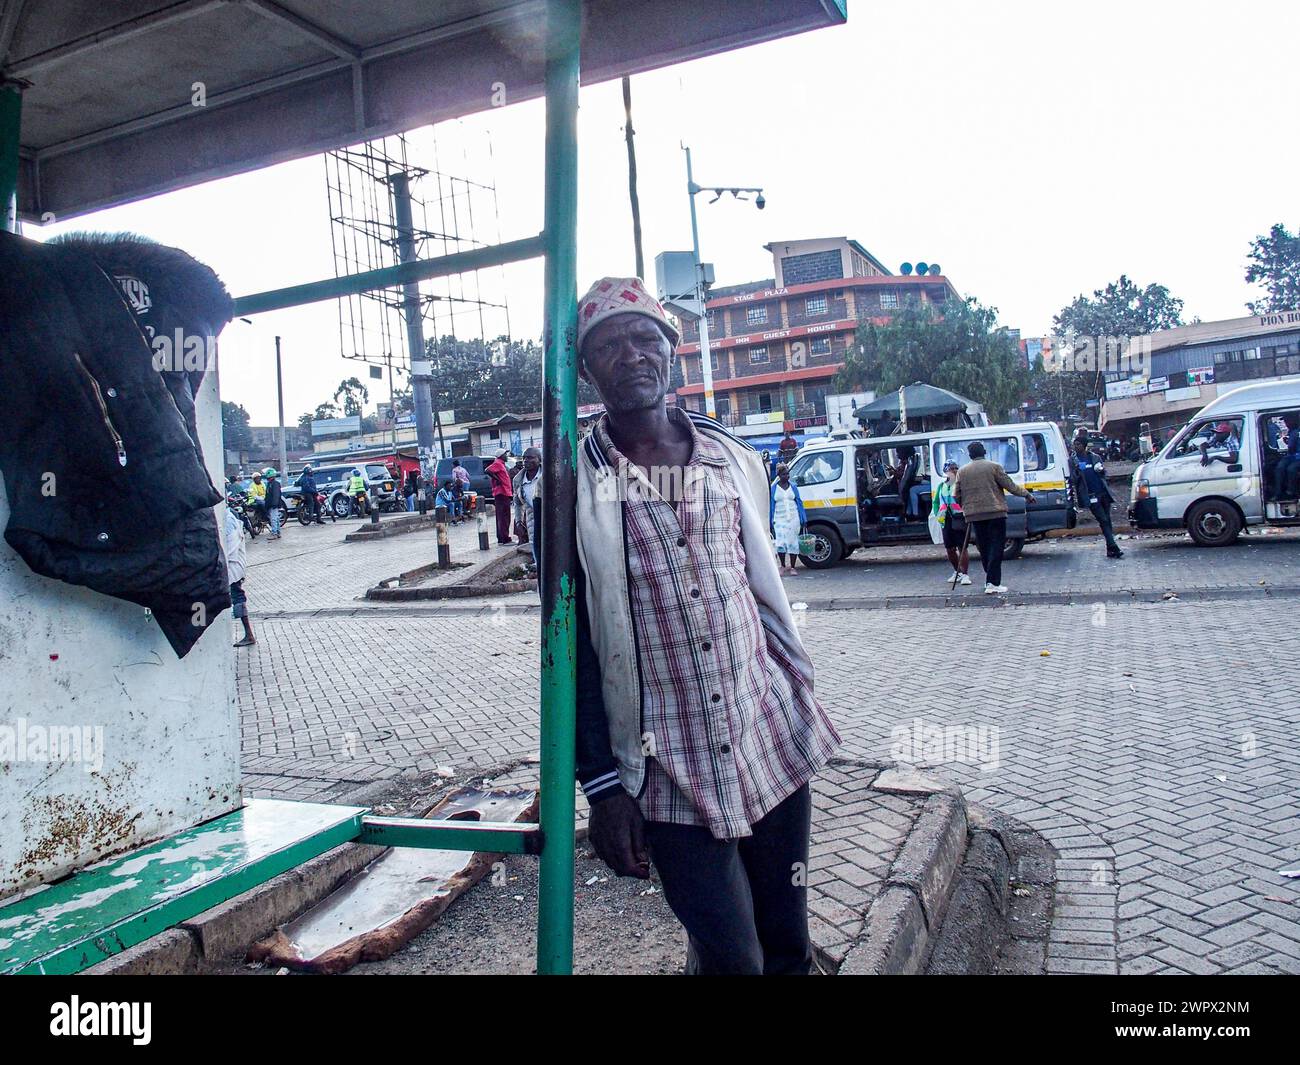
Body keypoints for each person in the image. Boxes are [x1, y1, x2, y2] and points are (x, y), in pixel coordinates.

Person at [572, 276, 840, 975]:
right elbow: (568, 651)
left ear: (672, 350)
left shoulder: (728, 458)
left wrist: (800, 685)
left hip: (765, 732)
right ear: (586, 369)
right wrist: (602, 787)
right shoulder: (574, 492)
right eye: (607, 345)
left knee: (786, 941)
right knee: (733, 958)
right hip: (667, 770)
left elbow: (760, 585)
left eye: (643, 337)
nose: (629, 354)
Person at [954, 441, 1034, 594]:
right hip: (995, 512)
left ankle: (989, 579)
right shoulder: (994, 466)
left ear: (970, 455)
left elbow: (956, 494)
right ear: (984, 452)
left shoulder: (962, 471)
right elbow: (1010, 485)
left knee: (983, 547)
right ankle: (993, 582)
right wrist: (1027, 494)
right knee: (997, 546)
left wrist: (966, 506)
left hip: (974, 515)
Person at [1071, 435, 1123, 559]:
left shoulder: (1094, 457)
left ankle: (1110, 549)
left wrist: (1101, 470)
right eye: (1075, 444)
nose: (1076, 446)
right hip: (1090, 496)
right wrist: (1077, 471)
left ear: (1084, 445)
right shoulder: (1073, 460)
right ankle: (1114, 546)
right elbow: (1073, 479)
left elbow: (1104, 474)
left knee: (1107, 520)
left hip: (1103, 492)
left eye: (1078, 444)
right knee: (1103, 519)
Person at [932, 460, 970, 584]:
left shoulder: (961, 484)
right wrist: (938, 514)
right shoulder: (941, 486)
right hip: (945, 520)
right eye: (950, 469)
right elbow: (936, 502)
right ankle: (957, 571)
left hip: (959, 518)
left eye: (955, 468)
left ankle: (965, 574)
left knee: (962, 546)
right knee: (949, 548)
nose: (953, 470)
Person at [224, 498, 255, 647]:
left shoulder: (228, 521)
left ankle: (248, 634)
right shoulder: (230, 518)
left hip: (232, 566)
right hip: (234, 565)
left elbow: (229, 548)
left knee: (236, 596)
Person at [769, 462, 806, 575]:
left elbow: (799, 502)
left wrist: (803, 518)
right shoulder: (773, 488)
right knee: (780, 542)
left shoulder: (793, 487)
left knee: (793, 542)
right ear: (779, 475)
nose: (787, 476)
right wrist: (770, 521)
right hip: (779, 518)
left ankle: (793, 567)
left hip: (793, 518)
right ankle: (783, 565)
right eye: (784, 474)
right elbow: (771, 505)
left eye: (788, 474)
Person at [514, 447, 542, 563]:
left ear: (539, 460)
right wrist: (519, 522)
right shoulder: (518, 480)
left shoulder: (548, 475)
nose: (526, 460)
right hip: (532, 521)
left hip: (550, 519)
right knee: (537, 551)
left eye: (530, 458)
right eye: (524, 458)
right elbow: (517, 503)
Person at [486, 449, 514, 545]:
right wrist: (497, 479)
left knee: (502, 516)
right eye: (505, 455)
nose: (507, 456)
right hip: (502, 493)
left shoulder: (501, 464)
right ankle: (505, 538)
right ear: (501, 455)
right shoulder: (498, 463)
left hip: (504, 493)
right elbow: (488, 470)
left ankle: (502, 538)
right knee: (504, 517)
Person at [1269, 415, 1300, 499]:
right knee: (1279, 467)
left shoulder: (1297, 432)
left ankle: (1291, 491)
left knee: (1291, 469)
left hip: (1297, 457)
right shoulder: (1291, 431)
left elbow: (1292, 447)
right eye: (1286, 421)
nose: (1286, 423)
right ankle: (1278, 492)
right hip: (1292, 456)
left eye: (1288, 421)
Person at [262, 467, 283, 539]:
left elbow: (276, 495)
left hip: (274, 504)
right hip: (272, 504)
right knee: (276, 519)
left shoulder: (275, 484)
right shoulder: (270, 484)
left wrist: (274, 504)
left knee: (273, 519)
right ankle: (278, 532)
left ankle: (274, 533)